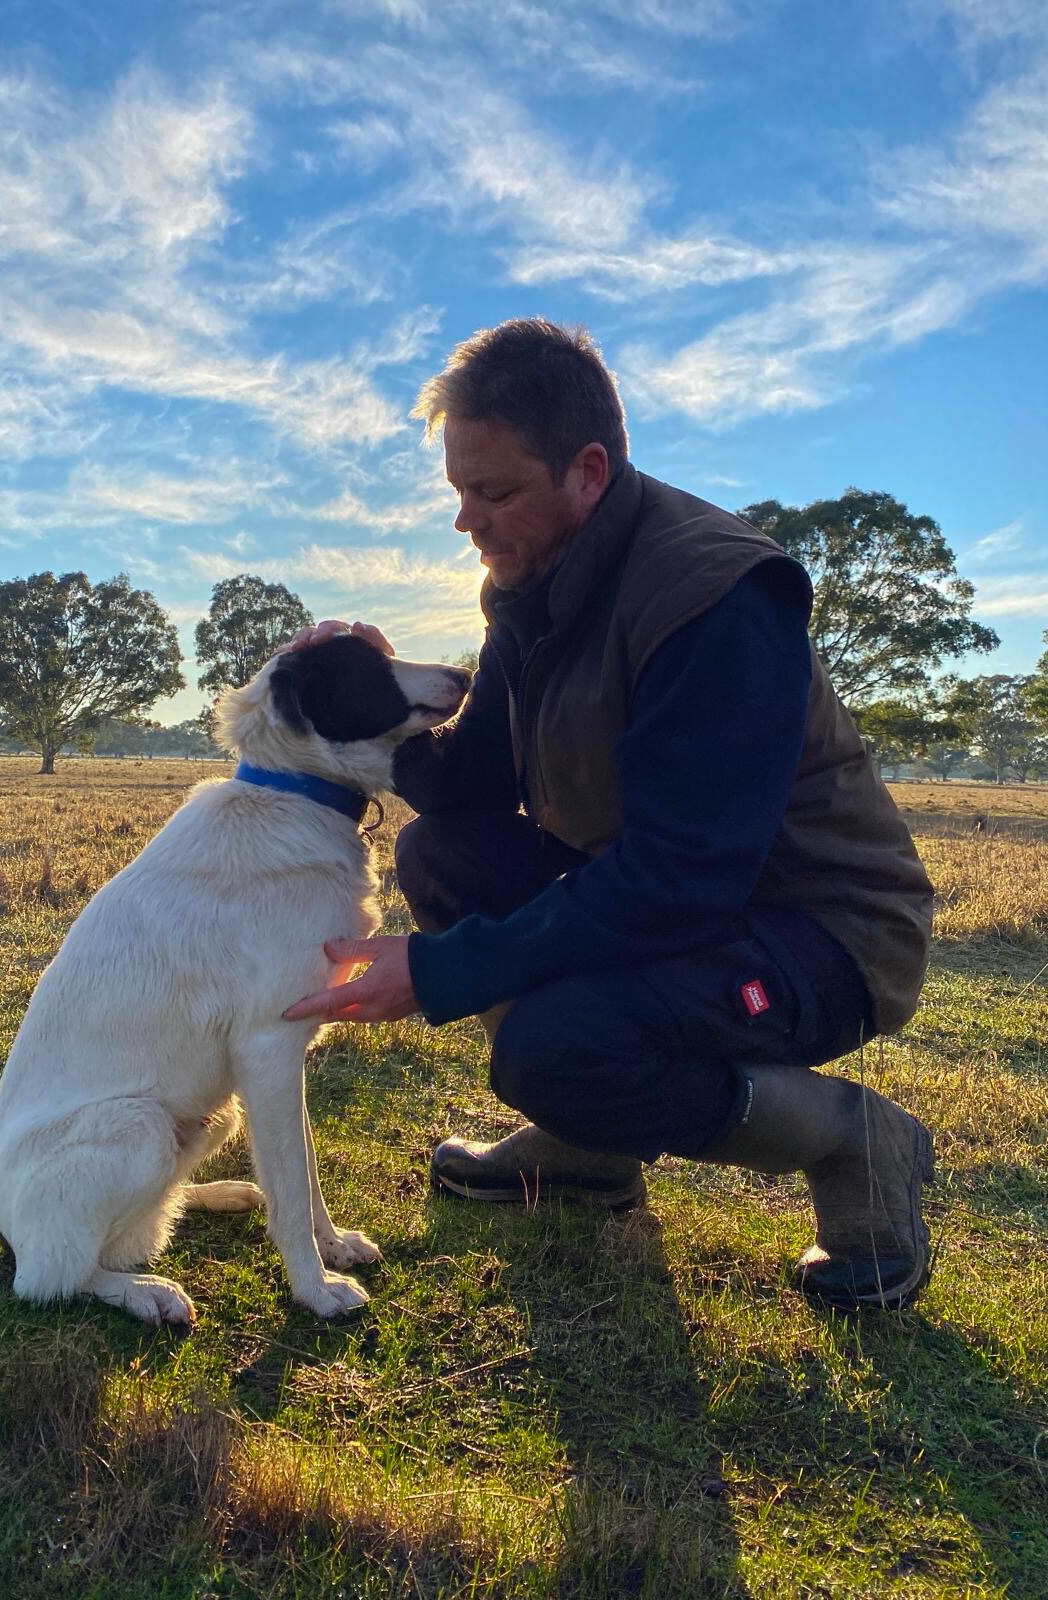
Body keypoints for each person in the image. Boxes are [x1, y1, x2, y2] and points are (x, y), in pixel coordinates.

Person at [284, 318, 936, 1312]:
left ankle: (853, 1140)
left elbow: (681, 878)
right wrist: (368, 697)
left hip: (822, 932)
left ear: (588, 472)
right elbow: (469, 784)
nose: (467, 522)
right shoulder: (530, 586)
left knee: (557, 1045)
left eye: (494, 493)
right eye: (459, 491)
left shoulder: (714, 598)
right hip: (678, 899)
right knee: (442, 855)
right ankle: (589, 1148)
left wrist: (440, 969)